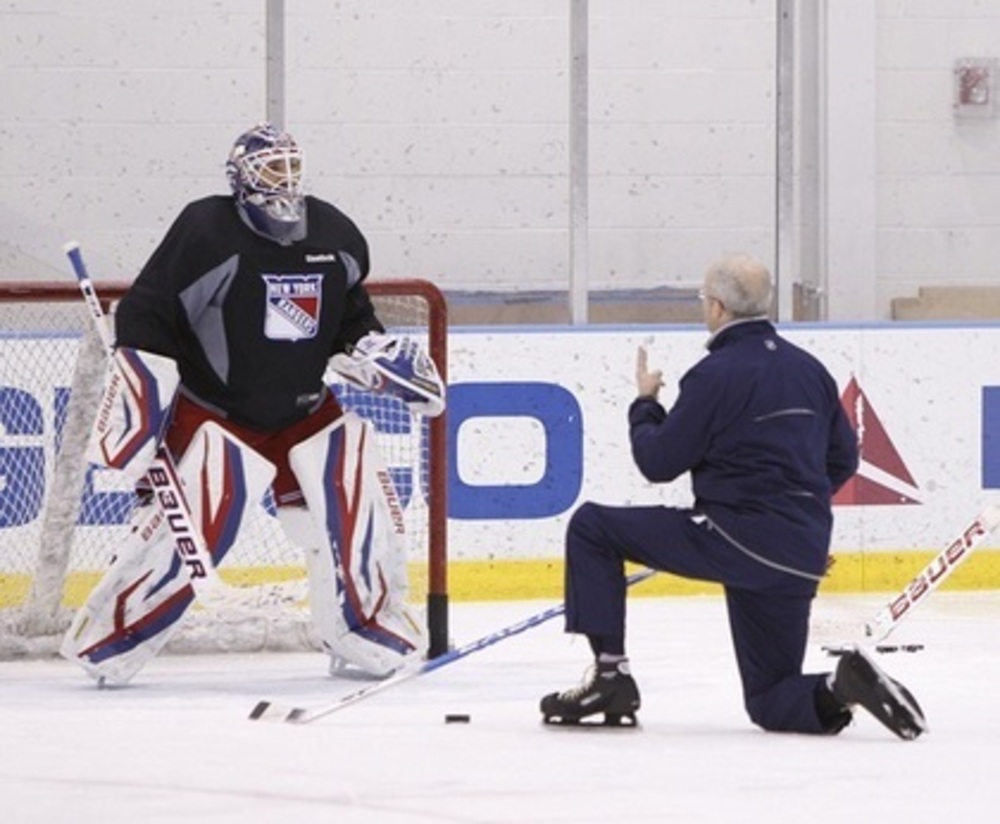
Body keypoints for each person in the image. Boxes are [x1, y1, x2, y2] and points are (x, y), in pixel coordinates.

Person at [61, 122, 445, 686]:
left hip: (304, 410)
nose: (284, 179)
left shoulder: (335, 231)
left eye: (292, 166)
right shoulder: (206, 230)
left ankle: (362, 628)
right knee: (186, 535)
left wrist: (371, 352)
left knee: (357, 512)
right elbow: (150, 313)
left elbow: (348, 315)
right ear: (241, 176)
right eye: (271, 168)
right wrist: (138, 404)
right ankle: (111, 639)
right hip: (215, 411)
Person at [540, 254, 928, 740]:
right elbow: (842, 461)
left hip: (733, 537)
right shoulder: (811, 372)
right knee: (770, 695)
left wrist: (645, 404)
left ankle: (610, 678)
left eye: (704, 299)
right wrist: (791, 520)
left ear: (718, 307)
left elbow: (658, 464)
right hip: (799, 551)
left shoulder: (714, 374)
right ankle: (838, 685)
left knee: (592, 527)